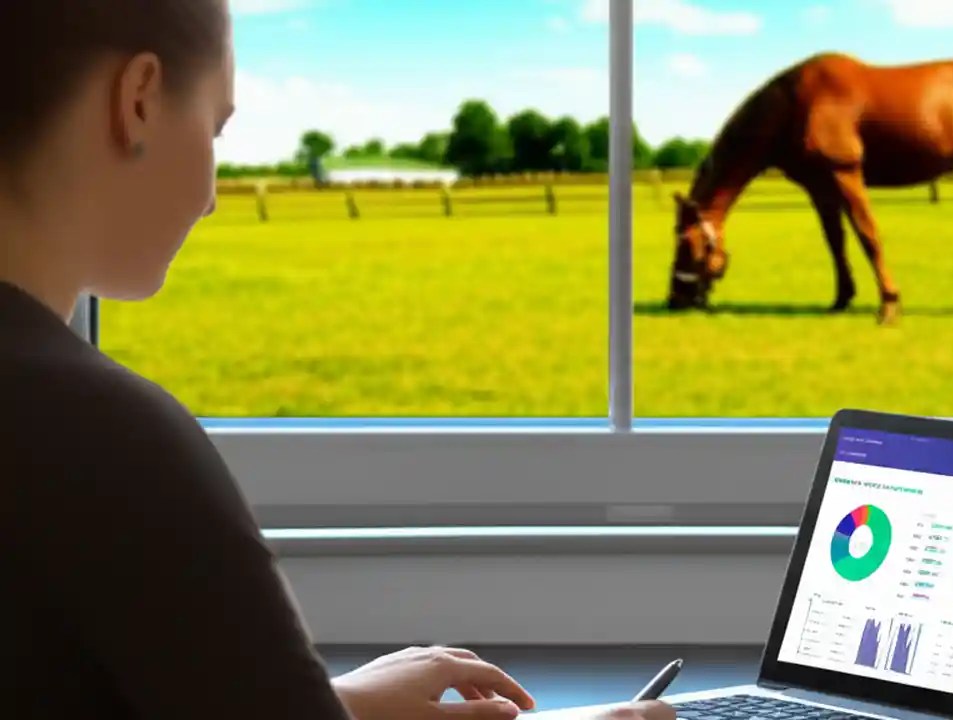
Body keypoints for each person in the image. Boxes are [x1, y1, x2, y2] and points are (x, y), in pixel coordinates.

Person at [0, 3, 678, 720]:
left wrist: (326, 705)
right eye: (215, 127)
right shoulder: (100, 437)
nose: (210, 200)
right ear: (137, 102)